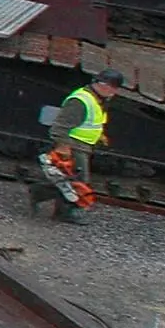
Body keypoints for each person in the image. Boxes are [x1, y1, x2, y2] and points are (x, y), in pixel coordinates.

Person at [36, 69, 129, 219]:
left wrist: (100, 136)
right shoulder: (81, 101)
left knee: (69, 180)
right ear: (104, 85)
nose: (114, 92)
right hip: (74, 145)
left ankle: (38, 193)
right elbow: (60, 126)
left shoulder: (98, 99)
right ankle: (64, 213)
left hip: (83, 145)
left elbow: (92, 122)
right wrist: (63, 146)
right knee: (78, 182)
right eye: (113, 88)